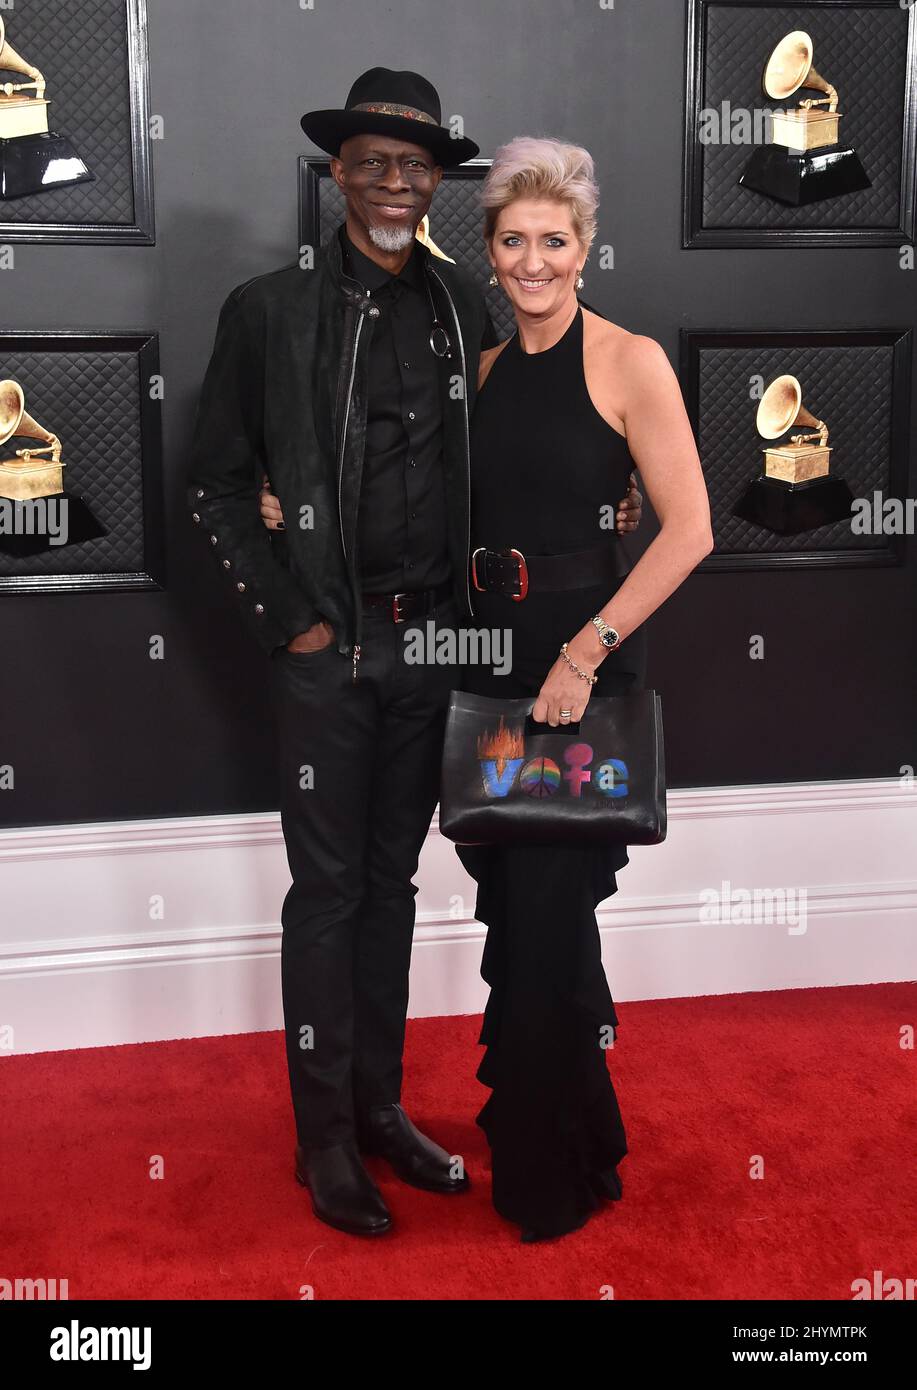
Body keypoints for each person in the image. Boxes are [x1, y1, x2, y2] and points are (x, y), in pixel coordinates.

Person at [188, 69, 642, 1240]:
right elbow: (216, 485)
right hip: (325, 652)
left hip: (438, 645)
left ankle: (381, 1108)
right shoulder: (267, 311)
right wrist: (293, 618)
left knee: (390, 888)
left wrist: (618, 489)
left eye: (416, 163)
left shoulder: (463, 305)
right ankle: (322, 1137)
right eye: (371, 160)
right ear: (336, 173)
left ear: (440, 181)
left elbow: (529, 441)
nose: (394, 180)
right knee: (327, 894)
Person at [260, 135, 714, 1242]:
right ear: (488, 248)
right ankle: (579, 1134)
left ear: (585, 245)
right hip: (488, 664)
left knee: (551, 923)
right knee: (520, 921)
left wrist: (583, 651)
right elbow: (413, 487)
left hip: (578, 669)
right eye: (511, 240)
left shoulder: (629, 361)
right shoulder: (486, 368)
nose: (532, 261)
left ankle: (548, 1176)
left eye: (553, 240)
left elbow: (688, 530)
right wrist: (296, 504)